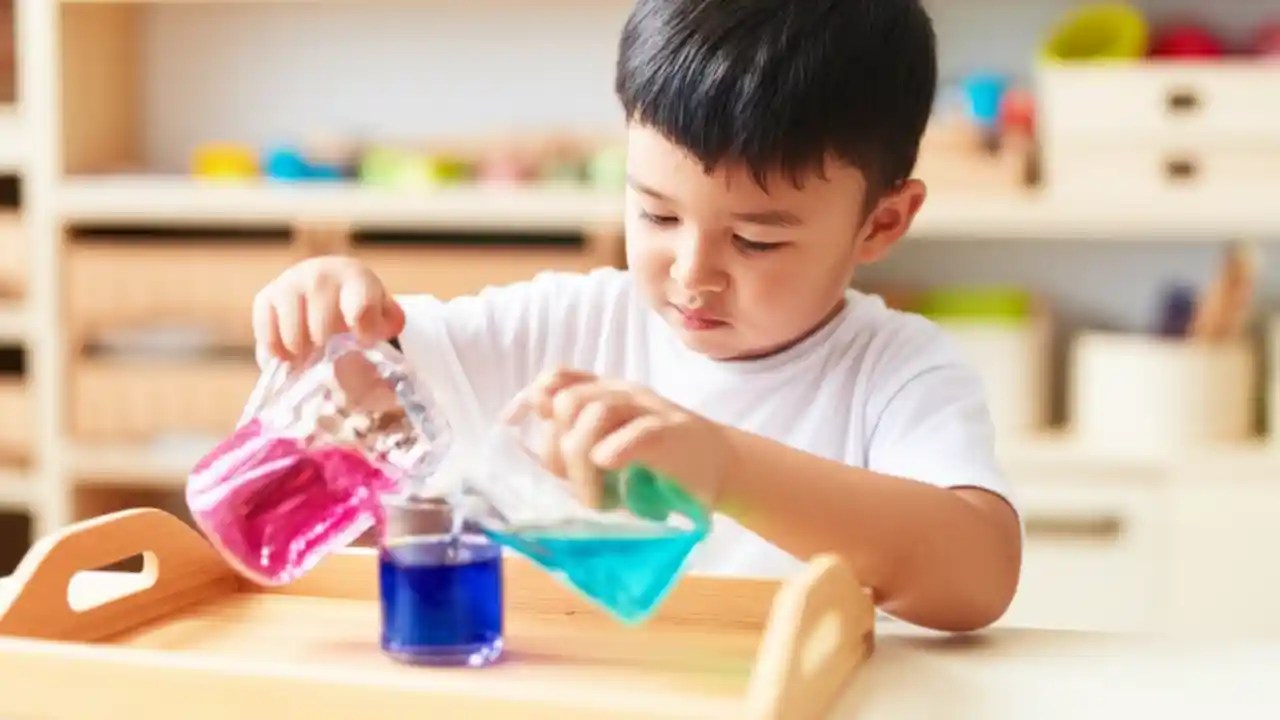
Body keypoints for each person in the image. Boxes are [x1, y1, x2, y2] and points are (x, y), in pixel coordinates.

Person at [252, 0, 1022, 632]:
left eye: (756, 239)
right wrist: (325, 305)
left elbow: (977, 577)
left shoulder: (895, 372)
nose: (694, 274)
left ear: (881, 224)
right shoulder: (566, 321)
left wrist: (724, 466)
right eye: (656, 216)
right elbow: (373, 369)